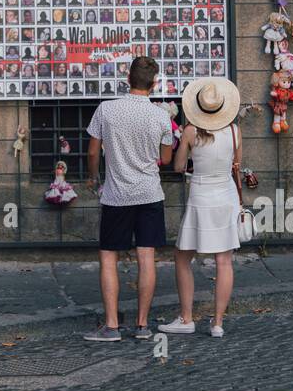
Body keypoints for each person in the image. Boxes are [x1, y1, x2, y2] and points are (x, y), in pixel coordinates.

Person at [84, 56, 174, 342]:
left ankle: (111, 326)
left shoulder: (106, 110)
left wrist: (93, 177)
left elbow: (93, 152)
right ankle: (142, 325)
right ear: (154, 83)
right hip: (149, 193)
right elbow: (166, 158)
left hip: (116, 195)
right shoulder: (161, 115)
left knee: (109, 256)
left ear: (127, 79)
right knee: (146, 257)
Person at [159, 77, 244, 339]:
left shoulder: (190, 131)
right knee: (224, 261)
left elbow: (178, 166)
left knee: (183, 256)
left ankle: (186, 318)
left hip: (201, 195)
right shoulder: (234, 131)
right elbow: (237, 166)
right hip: (227, 194)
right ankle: (217, 322)